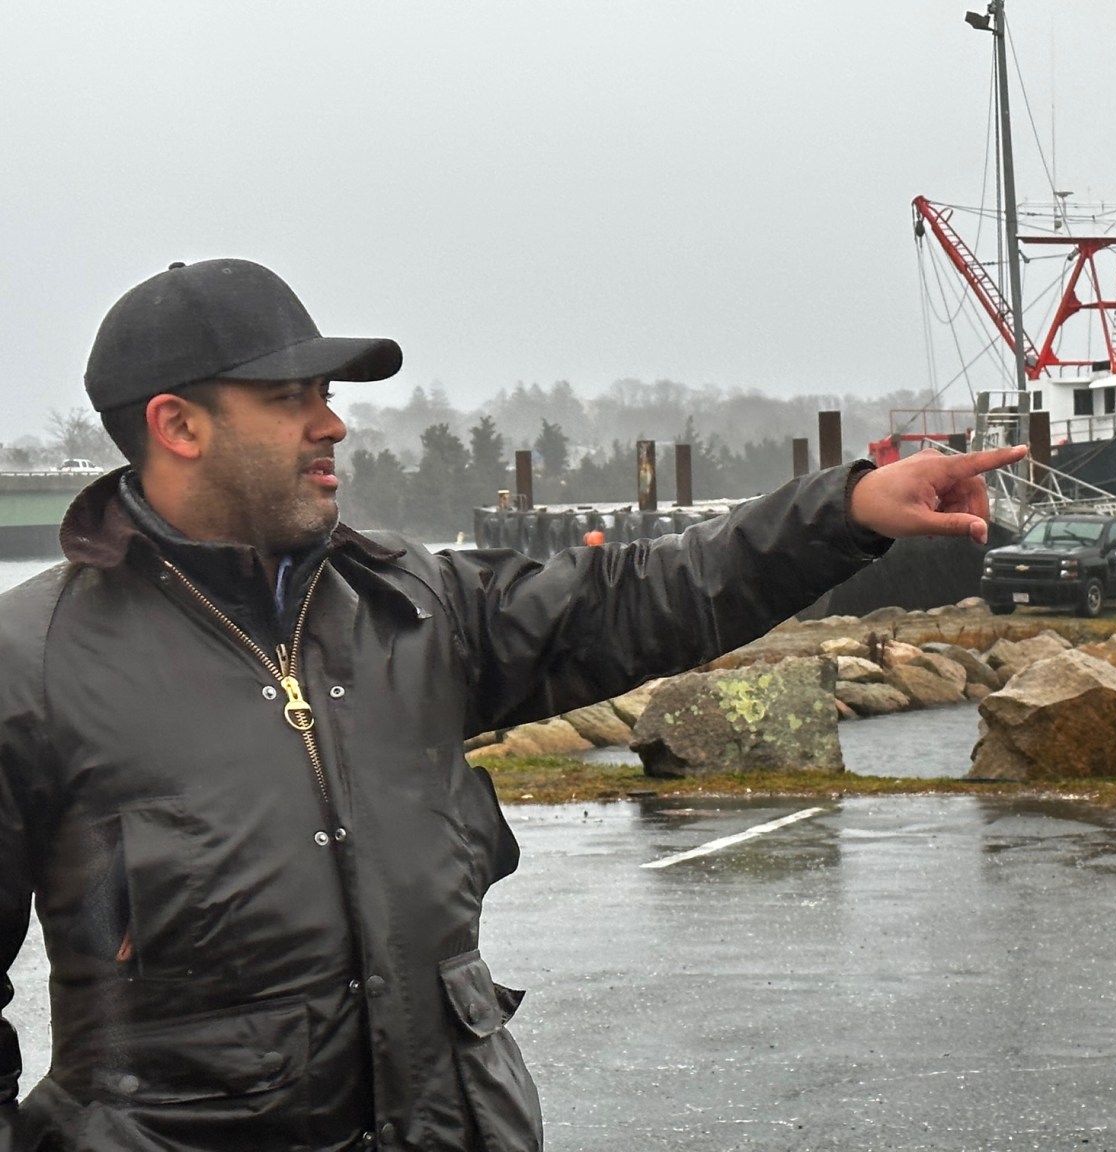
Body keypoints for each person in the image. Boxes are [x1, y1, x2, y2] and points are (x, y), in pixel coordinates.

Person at [0, 257, 1027, 1152]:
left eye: (326, 393)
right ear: (177, 425)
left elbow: (635, 598)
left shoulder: (409, 603)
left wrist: (844, 513)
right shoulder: (32, 667)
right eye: (289, 398)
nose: (333, 424)